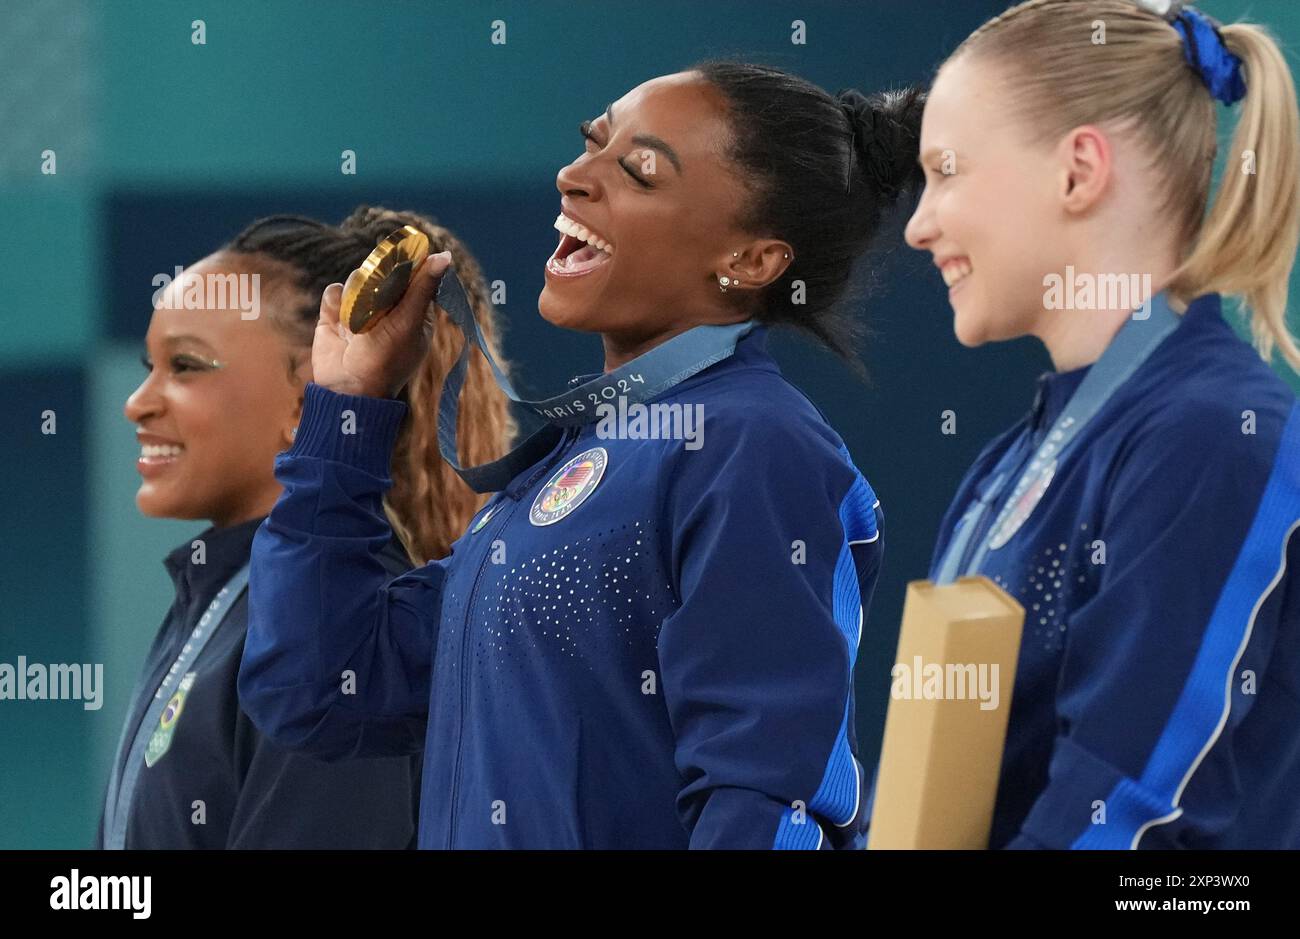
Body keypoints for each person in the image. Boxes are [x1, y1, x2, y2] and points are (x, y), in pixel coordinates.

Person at [238, 64, 925, 849]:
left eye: (638, 170)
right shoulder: (557, 475)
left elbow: (766, 799)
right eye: (592, 146)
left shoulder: (751, 444)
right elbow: (320, 687)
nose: (572, 177)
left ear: (751, 260)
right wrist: (348, 411)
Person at [893, 0, 1300, 848]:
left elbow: (1127, 814)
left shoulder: (1217, 432)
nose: (918, 224)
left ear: (1079, 170)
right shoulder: (1009, 465)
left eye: (948, 171)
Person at [99, 206, 513, 848]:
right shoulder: (217, 597)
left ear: (306, 400)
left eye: (185, 366)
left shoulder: (331, 627)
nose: (138, 401)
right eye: (149, 365)